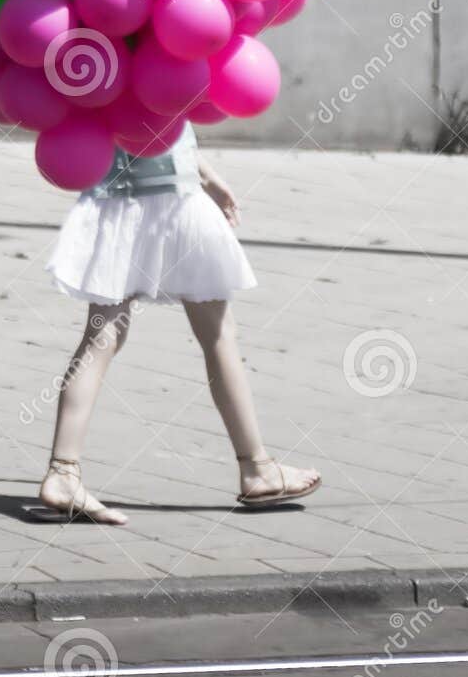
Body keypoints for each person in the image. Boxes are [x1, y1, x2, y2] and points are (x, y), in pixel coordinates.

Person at [38, 122, 321, 524]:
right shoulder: (156, 55)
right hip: (175, 203)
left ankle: (63, 471)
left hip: (115, 202)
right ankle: (256, 467)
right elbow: (166, 108)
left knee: (101, 337)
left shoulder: (87, 59)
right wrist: (203, 178)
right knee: (219, 335)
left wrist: (207, 176)